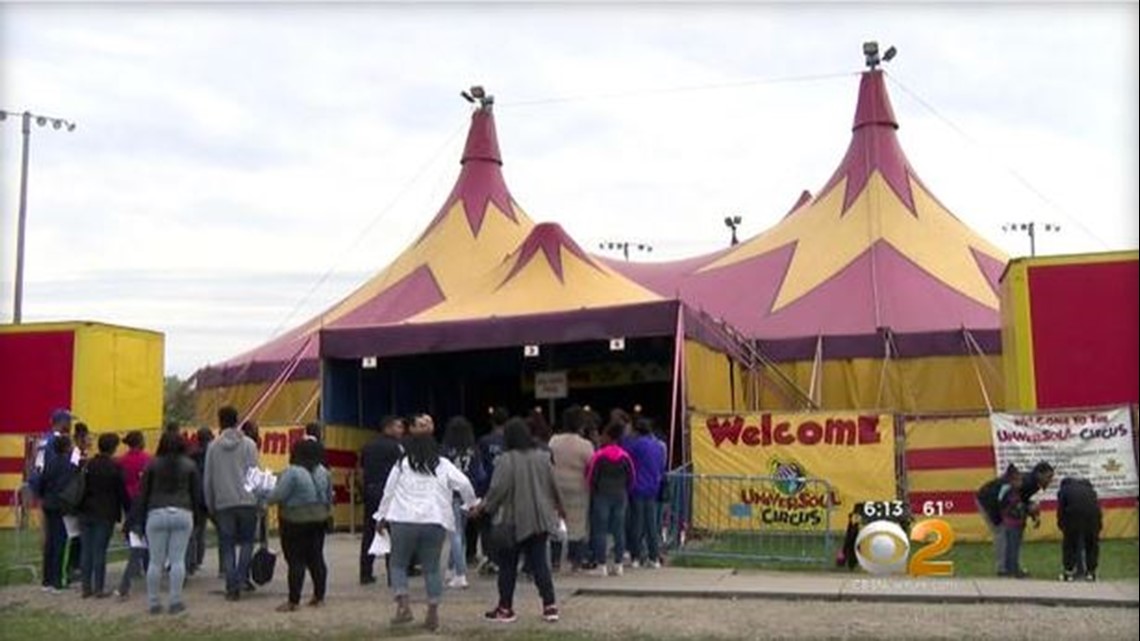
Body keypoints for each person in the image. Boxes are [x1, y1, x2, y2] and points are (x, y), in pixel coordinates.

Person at [375, 432, 478, 631]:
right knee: (431, 568)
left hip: (403, 519)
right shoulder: (443, 464)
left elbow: (388, 491)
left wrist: (381, 516)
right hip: (435, 520)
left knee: (398, 563)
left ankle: (404, 605)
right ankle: (432, 613)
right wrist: (471, 503)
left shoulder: (401, 465)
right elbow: (464, 483)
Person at [479, 418, 565, 624]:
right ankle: (550, 606)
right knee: (540, 565)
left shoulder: (505, 460)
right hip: (541, 518)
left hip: (513, 519)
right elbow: (554, 485)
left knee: (508, 566)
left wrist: (485, 508)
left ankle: (505, 608)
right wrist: (560, 508)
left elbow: (498, 490)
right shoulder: (544, 457)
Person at [139, 431, 202, 615]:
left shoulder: (152, 464)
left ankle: (153, 602)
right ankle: (175, 601)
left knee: (155, 561)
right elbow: (196, 494)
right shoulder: (189, 465)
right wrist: (198, 519)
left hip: (156, 512)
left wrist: (139, 518)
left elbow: (143, 494)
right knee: (177, 560)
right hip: (183, 512)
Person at [203, 406, 260, 601]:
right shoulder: (250, 445)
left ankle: (231, 584)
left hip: (223, 503)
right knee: (246, 543)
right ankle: (242, 577)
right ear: (238, 420)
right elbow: (255, 474)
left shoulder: (213, 447)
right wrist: (259, 499)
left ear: (220, 421)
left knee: (226, 545)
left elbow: (208, 479)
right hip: (247, 501)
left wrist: (210, 503)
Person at [268, 438, 332, 611]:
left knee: (296, 561)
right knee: (317, 558)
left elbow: (278, 496)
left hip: (294, 521)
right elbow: (329, 497)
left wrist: (263, 495)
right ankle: (319, 597)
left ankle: (293, 601)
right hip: (319, 519)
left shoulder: (292, 472)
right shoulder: (323, 471)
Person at [77, 433, 128, 598]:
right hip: (105, 512)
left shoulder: (88, 465)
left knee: (86, 549)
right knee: (100, 550)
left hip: (85, 510)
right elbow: (121, 492)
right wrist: (128, 511)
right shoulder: (115, 467)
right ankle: (98, 587)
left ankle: (86, 587)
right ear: (113, 448)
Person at [358, 415, 406, 585]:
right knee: (393, 533)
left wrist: (363, 490)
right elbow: (403, 472)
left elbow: (360, 471)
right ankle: (393, 575)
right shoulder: (397, 448)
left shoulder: (368, 446)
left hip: (371, 491)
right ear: (388, 428)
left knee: (369, 532)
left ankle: (365, 572)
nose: (402, 430)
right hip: (390, 494)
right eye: (398, 427)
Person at [586, 420, 636, 577]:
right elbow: (632, 478)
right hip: (620, 495)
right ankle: (618, 565)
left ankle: (602, 566)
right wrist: (625, 490)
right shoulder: (625, 456)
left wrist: (594, 491)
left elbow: (590, 477)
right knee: (618, 530)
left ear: (608, 436)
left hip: (602, 495)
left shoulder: (599, 456)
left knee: (600, 531)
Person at [440, 416, 485, 589]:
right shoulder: (474, 450)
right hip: (468, 494)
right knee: (460, 534)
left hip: (451, 494)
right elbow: (481, 474)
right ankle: (452, 569)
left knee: (455, 535)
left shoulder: (444, 450)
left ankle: (459, 573)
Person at [549, 405, 594, 572]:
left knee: (557, 524)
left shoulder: (554, 441)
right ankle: (576, 561)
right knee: (578, 524)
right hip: (579, 488)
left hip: (556, 486)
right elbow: (592, 466)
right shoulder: (586, 445)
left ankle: (555, 560)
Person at [32, 433, 76, 592]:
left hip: (48, 503)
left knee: (50, 541)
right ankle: (57, 581)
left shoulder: (49, 462)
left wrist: (43, 496)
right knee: (60, 542)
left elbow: (41, 480)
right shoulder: (68, 465)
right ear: (67, 447)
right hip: (61, 505)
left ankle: (46, 580)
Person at [114, 430, 152, 600]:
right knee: (145, 534)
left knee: (133, 533)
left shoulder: (121, 461)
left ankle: (136, 565)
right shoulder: (147, 459)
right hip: (142, 501)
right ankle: (145, 564)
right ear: (140, 442)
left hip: (126, 499)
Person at [625, 417, 666, 569]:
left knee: (636, 524)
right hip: (653, 487)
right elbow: (661, 466)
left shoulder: (634, 446)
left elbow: (628, 463)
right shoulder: (658, 446)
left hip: (637, 487)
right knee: (652, 524)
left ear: (637, 430)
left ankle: (636, 557)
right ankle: (654, 557)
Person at [476, 407, 509, 573]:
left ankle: (490, 557)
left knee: (487, 525)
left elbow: (480, 468)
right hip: (508, 487)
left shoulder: (483, 441)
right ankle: (506, 555)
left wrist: (479, 492)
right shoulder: (511, 441)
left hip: (489, 486)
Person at [1057, 476, 1102, 581]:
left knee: (1070, 544)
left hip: (1073, 518)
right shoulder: (1091, 491)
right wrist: (1098, 526)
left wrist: (1062, 525)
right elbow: (1097, 510)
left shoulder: (1064, 490)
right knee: (1091, 545)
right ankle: (1091, 573)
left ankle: (1069, 573)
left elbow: (1061, 510)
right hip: (1092, 519)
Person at [975, 463, 1016, 574]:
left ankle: (1006, 565)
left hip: (987, 500)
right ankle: (1001, 568)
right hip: (985, 503)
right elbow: (996, 505)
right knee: (1000, 534)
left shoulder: (1007, 483)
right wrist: (998, 520)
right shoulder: (1005, 486)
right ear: (1011, 477)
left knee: (1003, 532)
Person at [997, 467, 1034, 578]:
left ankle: (1010, 568)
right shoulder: (1009, 492)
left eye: (1021, 481)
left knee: (1012, 547)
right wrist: (1022, 508)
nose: (1020, 483)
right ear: (1011, 481)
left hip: (1015, 523)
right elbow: (1009, 507)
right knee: (1013, 547)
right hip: (1012, 523)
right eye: (1017, 481)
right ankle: (1013, 570)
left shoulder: (1014, 491)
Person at [186, 426, 213, 576]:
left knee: (194, 531)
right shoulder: (214, 453)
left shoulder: (191, 455)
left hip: (195, 495)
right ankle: (199, 559)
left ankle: (191, 561)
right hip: (210, 494)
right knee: (203, 531)